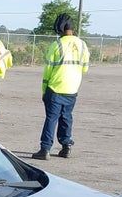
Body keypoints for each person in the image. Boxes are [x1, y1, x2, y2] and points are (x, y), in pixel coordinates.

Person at [33, 13, 90, 160]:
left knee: (51, 118)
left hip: (55, 88)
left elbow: (48, 70)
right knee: (66, 117)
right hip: (72, 89)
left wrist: (44, 89)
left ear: (60, 28)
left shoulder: (57, 45)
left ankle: (45, 149)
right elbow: (85, 68)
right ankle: (66, 146)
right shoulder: (82, 45)